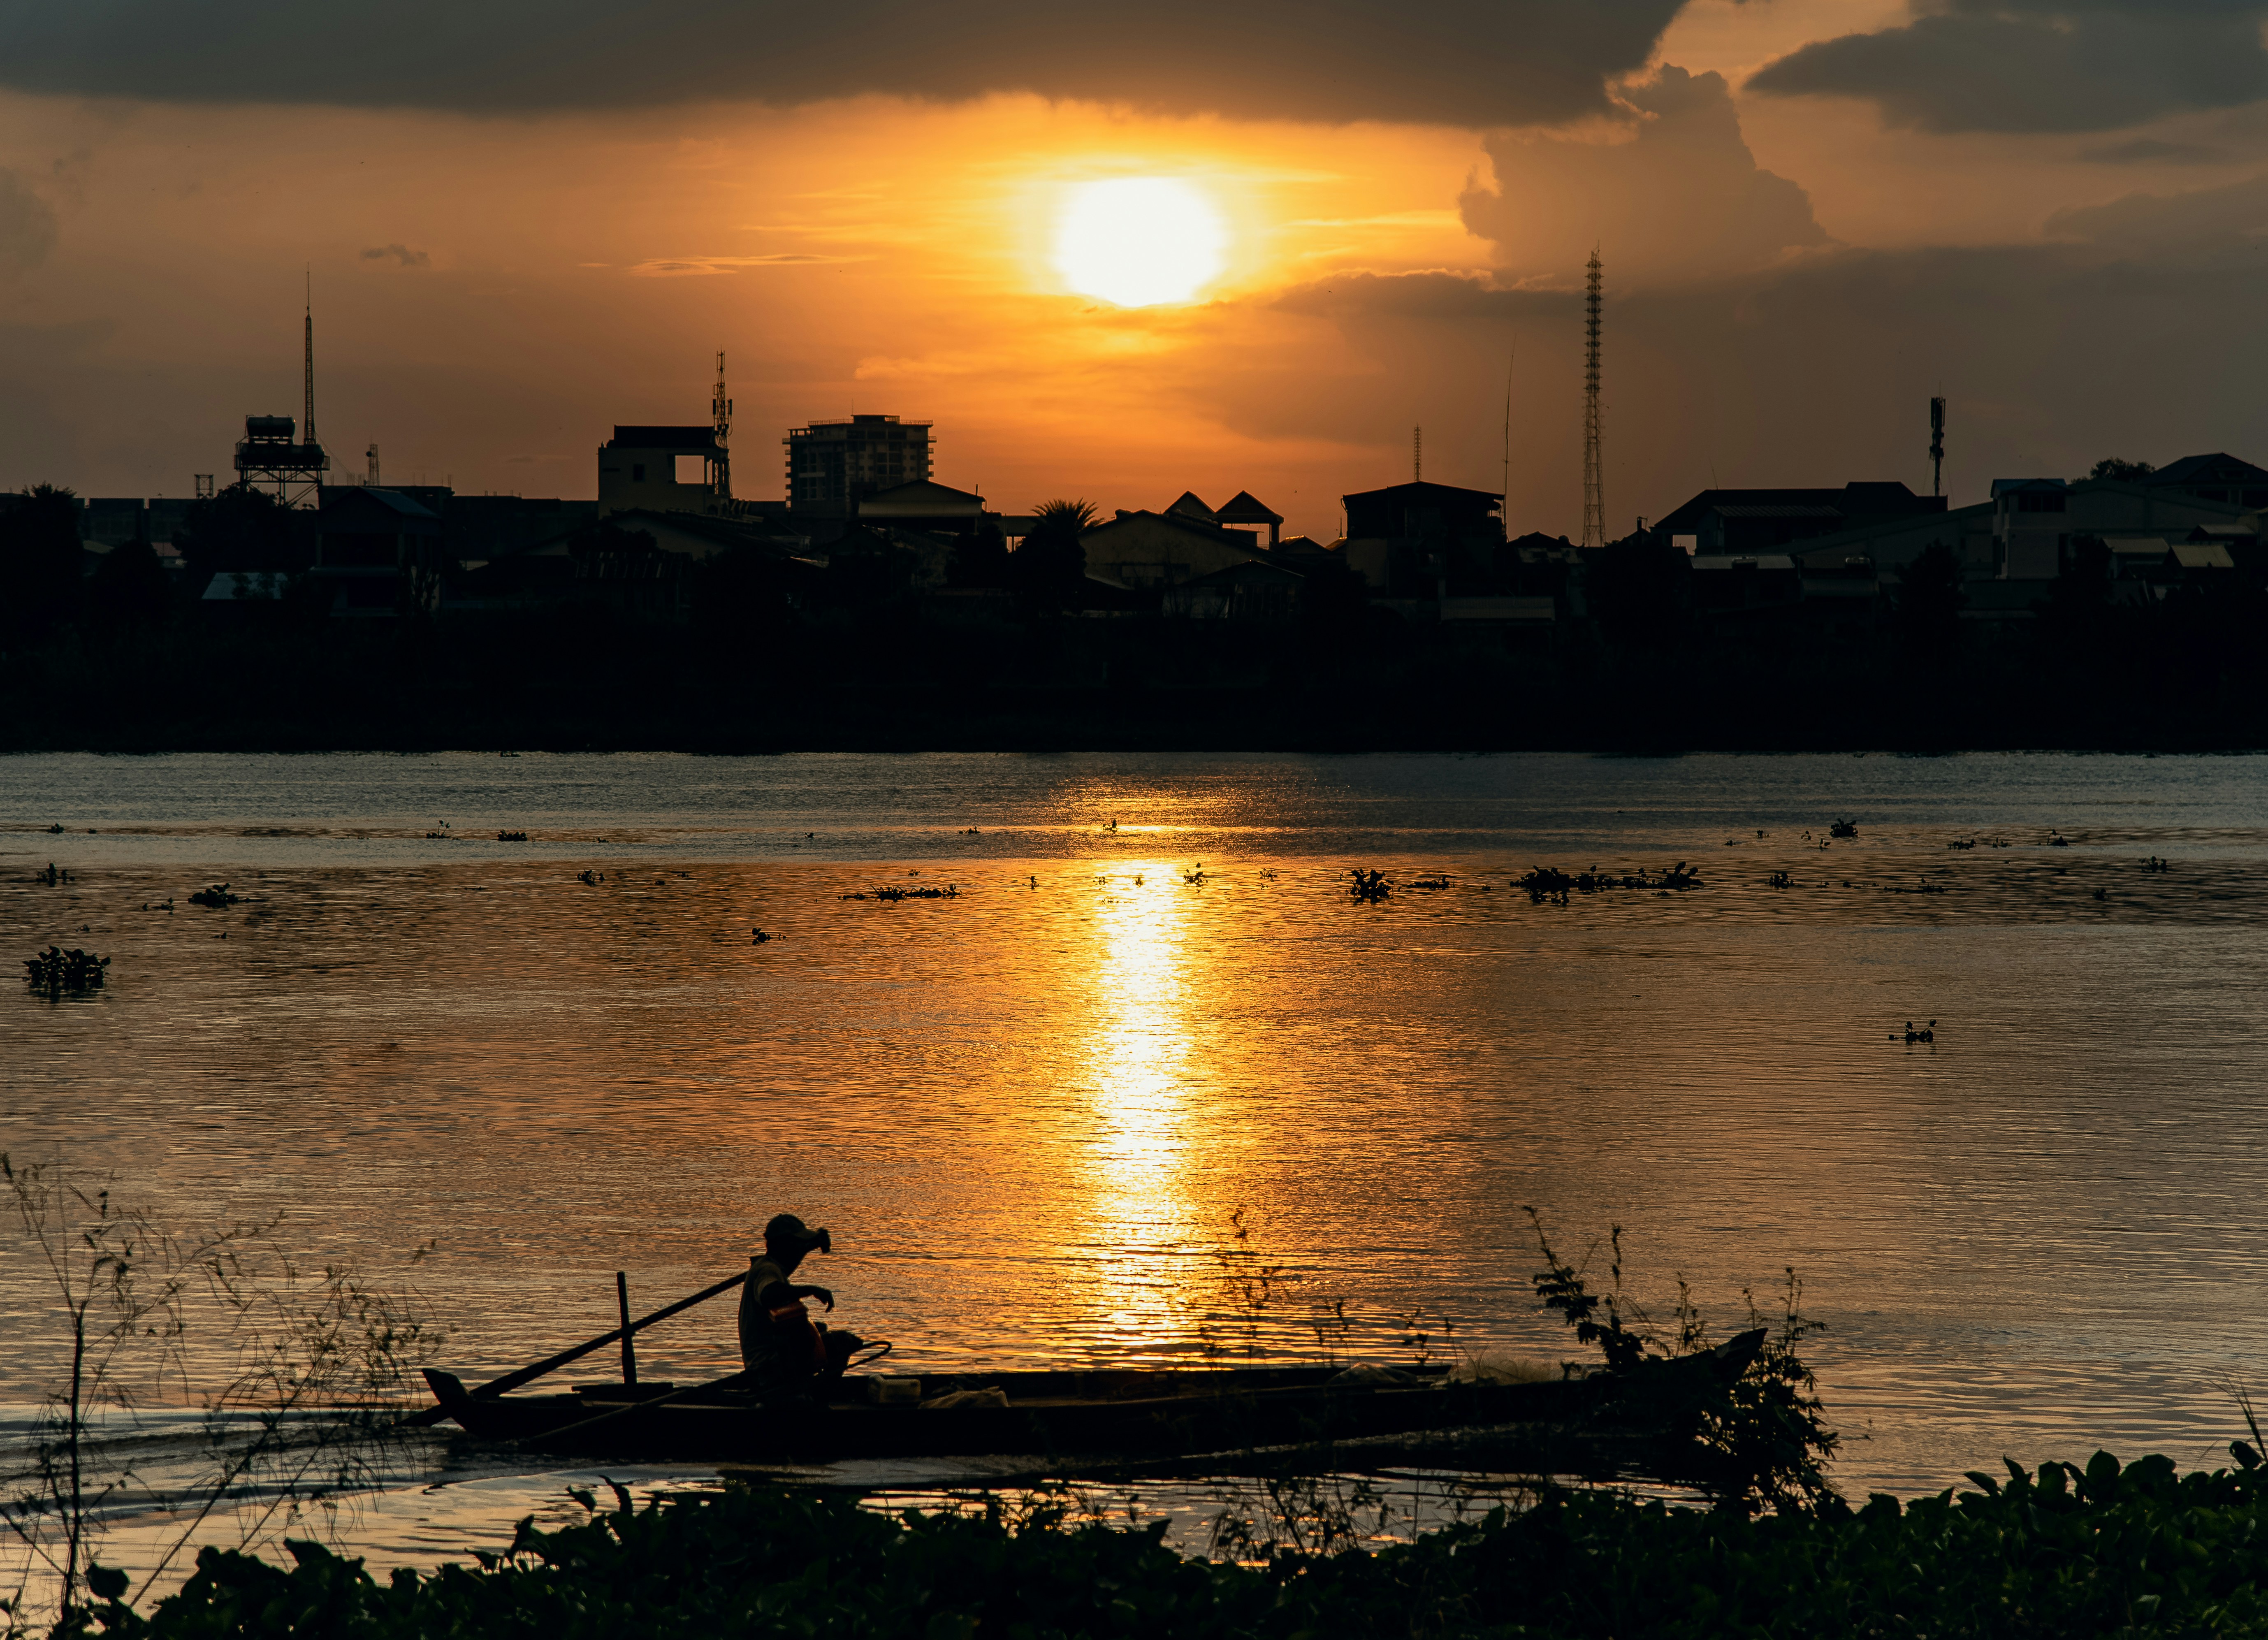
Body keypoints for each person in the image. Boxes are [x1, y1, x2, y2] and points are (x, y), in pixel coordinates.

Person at [737, 1214, 838, 1396]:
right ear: (783, 1246)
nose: (799, 1253)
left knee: (821, 1334)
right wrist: (812, 1289)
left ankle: (810, 1394)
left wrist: (814, 1243)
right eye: (796, 1246)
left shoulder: (772, 1268)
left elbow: (796, 1254)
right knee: (842, 1343)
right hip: (768, 1366)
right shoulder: (767, 1269)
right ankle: (818, 1400)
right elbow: (770, 1294)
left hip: (776, 1360)